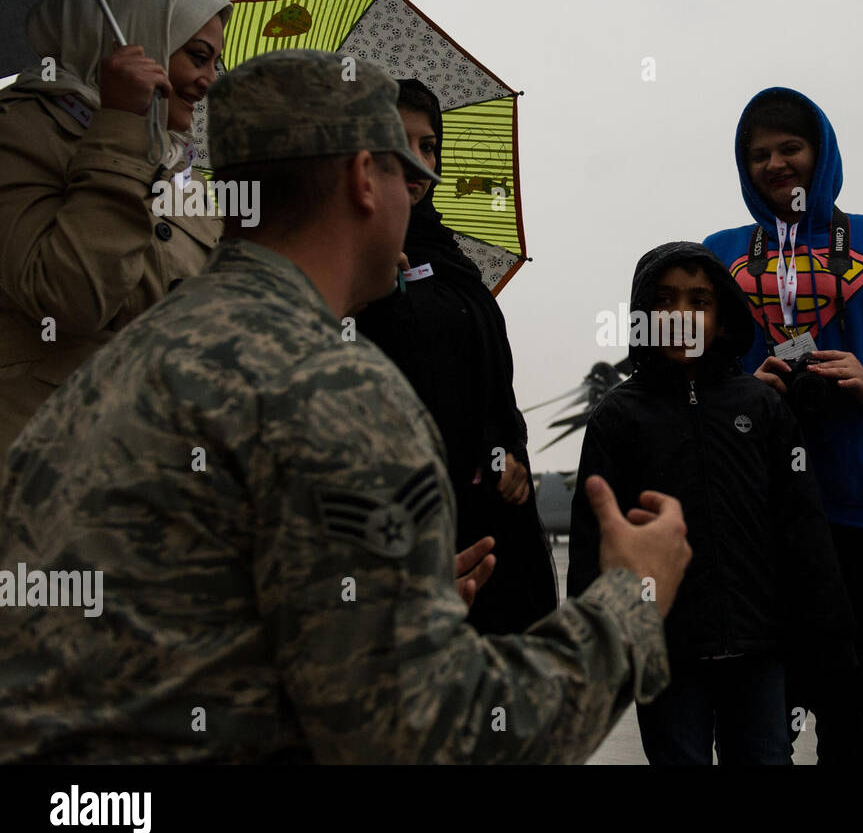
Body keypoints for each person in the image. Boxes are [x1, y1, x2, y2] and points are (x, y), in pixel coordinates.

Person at [0, 50, 691, 764]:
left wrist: (372, 618)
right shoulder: (331, 388)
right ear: (365, 177)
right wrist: (630, 602)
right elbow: (431, 738)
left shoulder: (115, 363)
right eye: (407, 173)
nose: (413, 195)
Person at [566, 242, 852, 764]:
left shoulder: (762, 407)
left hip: (761, 647)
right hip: (665, 652)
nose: (680, 315)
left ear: (723, 320)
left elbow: (803, 529)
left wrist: (823, 639)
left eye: (699, 301)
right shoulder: (617, 417)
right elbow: (592, 541)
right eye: (665, 300)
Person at [703, 87, 863, 763]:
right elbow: (695, 384)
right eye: (758, 153)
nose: (775, 163)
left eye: (790, 147)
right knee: (765, 702)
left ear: (821, 151)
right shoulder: (718, 252)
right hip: (761, 510)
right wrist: (744, 389)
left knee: (859, 699)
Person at [0, 0, 230, 454]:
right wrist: (121, 122)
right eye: (198, 55)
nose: (210, 79)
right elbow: (69, 299)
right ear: (131, 38)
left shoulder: (172, 161)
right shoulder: (18, 130)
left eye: (217, 62)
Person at [358, 78, 556, 635]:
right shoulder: (342, 263)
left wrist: (509, 449)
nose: (419, 161)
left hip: (493, 516)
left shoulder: (451, 260)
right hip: (408, 527)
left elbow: (488, 377)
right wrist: (372, 286)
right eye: (400, 142)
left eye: (429, 146)